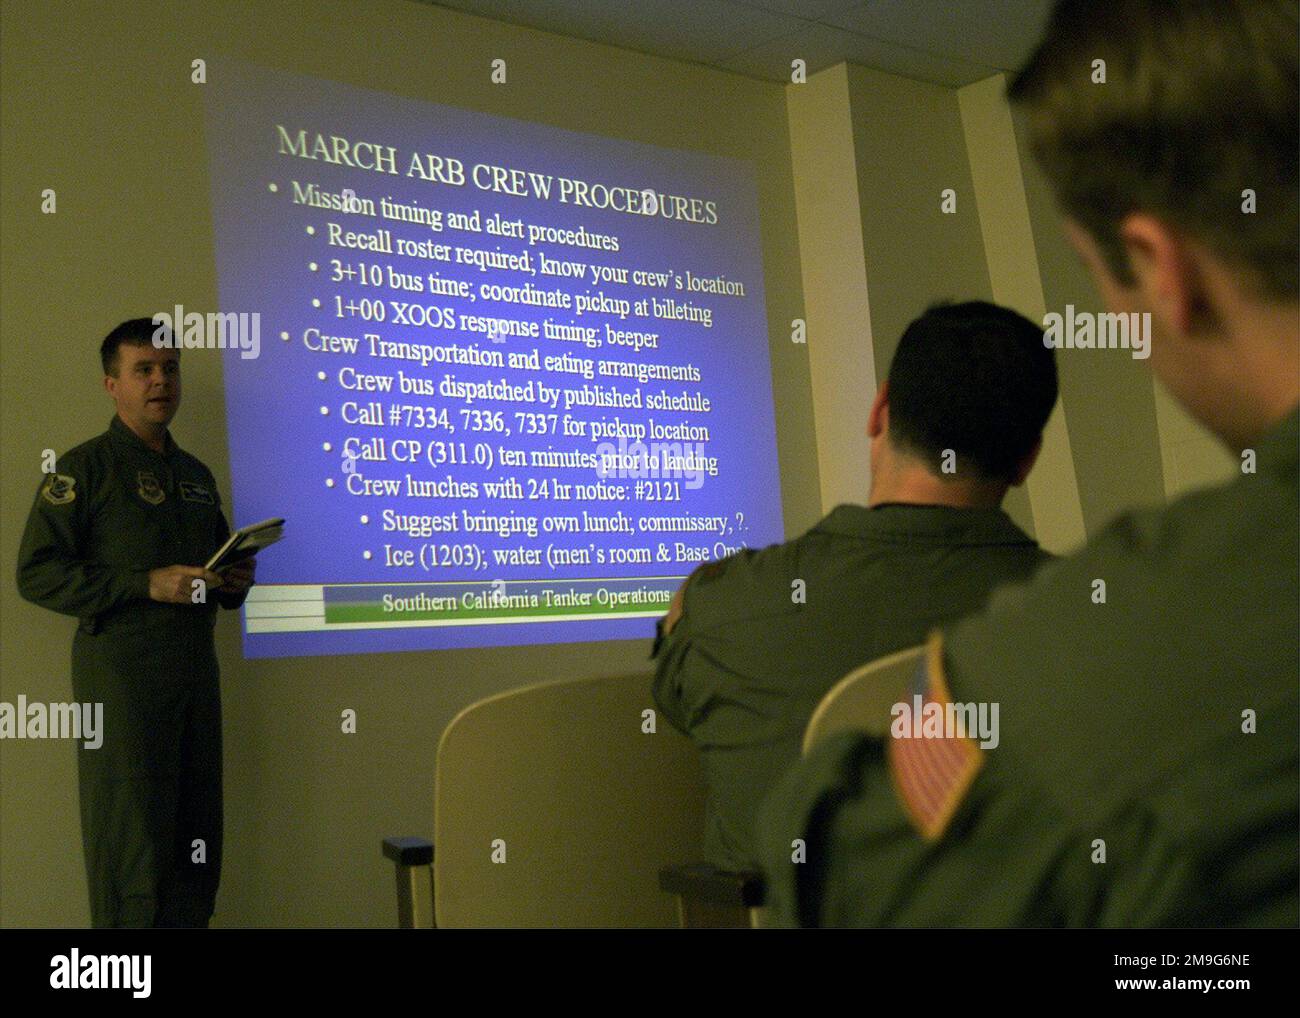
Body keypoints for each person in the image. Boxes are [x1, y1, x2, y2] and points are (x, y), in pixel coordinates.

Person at [759, 0, 1299, 927]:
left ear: (1159, 269)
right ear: (1029, 455)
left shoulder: (1092, 655)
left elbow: (844, 867)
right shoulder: (1074, 609)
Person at [652, 300, 1060, 871]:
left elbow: (676, 700)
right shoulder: (1089, 619)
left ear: (879, 412)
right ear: (1026, 460)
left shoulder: (720, 607)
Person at [16, 317, 256, 928]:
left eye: (169, 369)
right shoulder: (83, 470)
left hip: (193, 682)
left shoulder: (196, 477)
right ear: (111, 385)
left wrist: (233, 584)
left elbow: (213, 581)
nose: (161, 382)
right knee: (135, 853)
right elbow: (36, 573)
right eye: (143, 370)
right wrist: (143, 584)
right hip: (122, 687)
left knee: (196, 846)